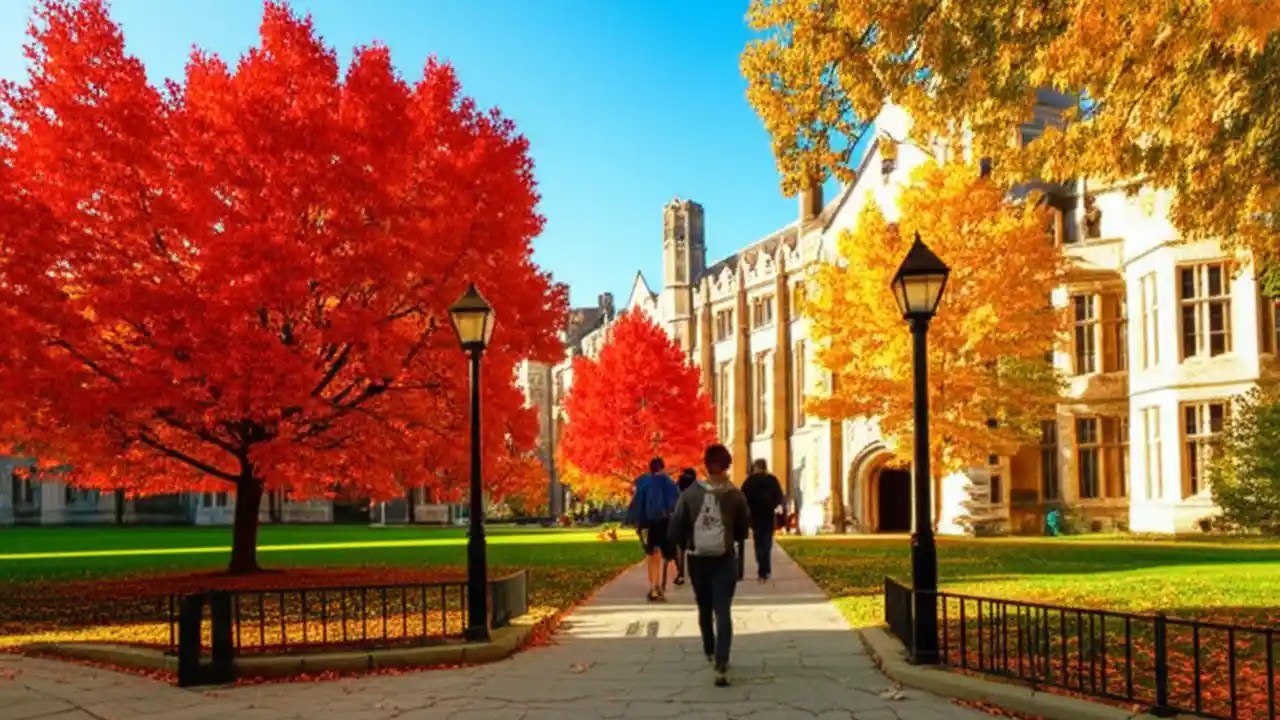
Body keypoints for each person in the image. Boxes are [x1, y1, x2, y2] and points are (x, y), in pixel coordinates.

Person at [669, 444, 750, 687]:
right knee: (723, 610)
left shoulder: (691, 494)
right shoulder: (735, 494)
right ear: (727, 466)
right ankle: (722, 664)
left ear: (706, 465)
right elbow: (743, 530)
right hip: (724, 558)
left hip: (698, 558)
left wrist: (681, 550)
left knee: (704, 607)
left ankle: (709, 649)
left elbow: (676, 529)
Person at [627, 457, 679, 601]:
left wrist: (636, 523)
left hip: (649, 523)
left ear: (650, 468)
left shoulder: (643, 482)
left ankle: (653, 587)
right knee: (667, 556)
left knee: (652, 555)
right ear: (662, 468)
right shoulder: (668, 482)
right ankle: (665, 586)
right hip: (665, 522)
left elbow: (636, 504)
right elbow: (675, 504)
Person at [741, 458, 785, 582]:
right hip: (768, 514)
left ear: (755, 467)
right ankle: (766, 568)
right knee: (767, 542)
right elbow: (779, 496)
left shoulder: (749, 482)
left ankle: (761, 566)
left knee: (758, 541)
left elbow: (742, 498)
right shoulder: (772, 480)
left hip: (755, 516)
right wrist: (773, 505)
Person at [672, 467, 697, 585]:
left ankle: (680, 573)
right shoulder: (698, 488)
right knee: (694, 547)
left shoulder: (677, 486)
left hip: (680, 519)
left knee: (680, 548)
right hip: (694, 520)